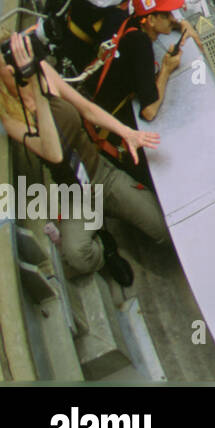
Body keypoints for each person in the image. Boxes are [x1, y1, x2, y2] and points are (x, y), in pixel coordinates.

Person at [0, 30, 168, 286]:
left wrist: (127, 133)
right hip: (73, 194)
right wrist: (32, 84)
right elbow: (54, 154)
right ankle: (106, 249)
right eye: (8, 64)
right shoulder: (11, 118)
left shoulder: (43, 71)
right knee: (78, 257)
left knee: (163, 230)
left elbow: (86, 109)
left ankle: (115, 211)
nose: (16, 66)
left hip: (100, 173)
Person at [81, 0, 199, 190]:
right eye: (167, 14)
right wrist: (166, 69)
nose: (173, 18)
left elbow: (163, 22)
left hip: (90, 106)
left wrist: (182, 25)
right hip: (104, 132)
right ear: (151, 20)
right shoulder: (140, 45)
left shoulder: (128, 22)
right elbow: (149, 111)